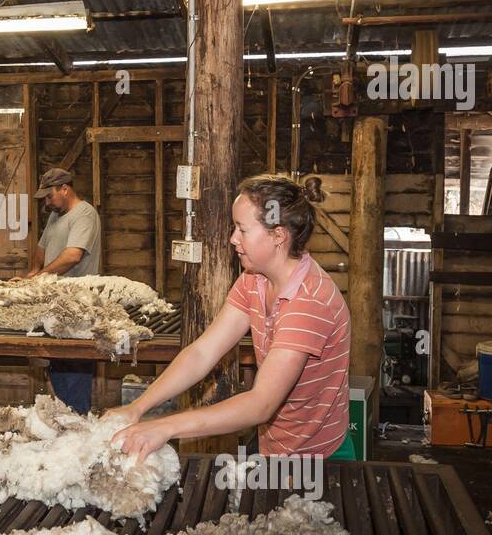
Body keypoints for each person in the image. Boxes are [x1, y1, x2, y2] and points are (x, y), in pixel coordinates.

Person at [105, 174, 350, 463]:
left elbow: (261, 404)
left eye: (242, 230)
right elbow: (202, 352)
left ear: (278, 236)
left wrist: (165, 426)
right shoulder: (253, 279)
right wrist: (138, 407)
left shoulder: (308, 302)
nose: (233, 238)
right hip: (273, 441)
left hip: (316, 456)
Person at [21, 167, 101, 414]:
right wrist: (33, 273)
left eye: (49, 196)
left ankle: (78, 424)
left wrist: (42, 277)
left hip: (77, 303)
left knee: (75, 364)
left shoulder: (84, 215)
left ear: (65, 189)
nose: (47, 202)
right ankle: (64, 422)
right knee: (57, 364)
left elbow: (72, 256)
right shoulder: (56, 215)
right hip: (56, 302)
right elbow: (42, 248)